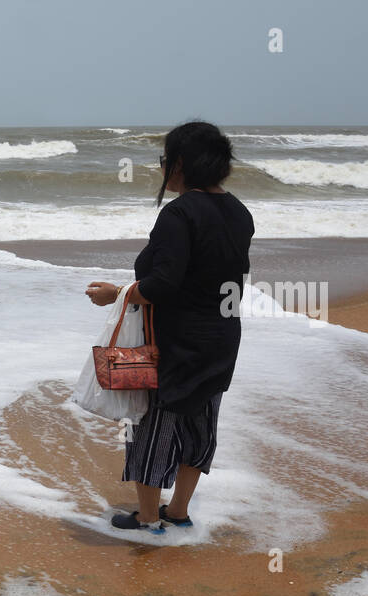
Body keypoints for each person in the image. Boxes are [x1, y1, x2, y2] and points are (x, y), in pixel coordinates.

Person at [85, 121, 254, 535]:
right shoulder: (238, 212)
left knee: (154, 426)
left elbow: (164, 284)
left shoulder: (177, 214)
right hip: (222, 337)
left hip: (174, 343)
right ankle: (178, 511)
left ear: (180, 164)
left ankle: (147, 518)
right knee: (200, 425)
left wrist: (117, 293)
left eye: (165, 161)